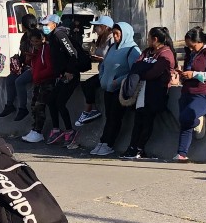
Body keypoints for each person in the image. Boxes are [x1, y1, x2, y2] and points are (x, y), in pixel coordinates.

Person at [122, 27, 175, 160]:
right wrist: (141, 70)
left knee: (147, 121)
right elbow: (136, 64)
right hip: (142, 92)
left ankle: (140, 148)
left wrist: (141, 71)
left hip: (155, 93)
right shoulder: (147, 52)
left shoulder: (166, 54)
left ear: (155, 39)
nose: (147, 40)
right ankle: (132, 148)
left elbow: (153, 73)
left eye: (149, 37)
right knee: (138, 121)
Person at [89, 22, 140, 157]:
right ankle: (103, 141)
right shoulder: (112, 47)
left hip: (120, 90)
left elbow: (134, 71)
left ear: (125, 34)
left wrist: (117, 81)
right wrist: (102, 78)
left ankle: (108, 143)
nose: (116, 37)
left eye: (118, 34)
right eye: (114, 34)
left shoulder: (132, 50)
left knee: (115, 117)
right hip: (107, 88)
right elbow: (105, 64)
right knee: (109, 116)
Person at [173, 27, 206, 163]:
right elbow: (188, 70)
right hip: (187, 92)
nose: (191, 48)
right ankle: (182, 153)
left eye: (192, 45)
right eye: (188, 46)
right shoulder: (191, 53)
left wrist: (194, 74)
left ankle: (198, 121)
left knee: (187, 116)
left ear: (200, 41)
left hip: (203, 94)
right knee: (184, 122)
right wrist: (182, 74)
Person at [44, 15, 83, 147]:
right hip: (62, 76)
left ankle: (70, 131)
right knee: (50, 100)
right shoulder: (52, 37)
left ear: (54, 24)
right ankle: (56, 129)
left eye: (46, 24)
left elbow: (73, 53)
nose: (44, 27)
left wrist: (70, 71)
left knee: (60, 102)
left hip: (71, 76)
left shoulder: (60, 35)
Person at [74, 15, 115, 129]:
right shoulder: (101, 39)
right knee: (85, 83)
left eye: (97, 26)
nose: (95, 29)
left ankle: (89, 110)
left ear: (105, 27)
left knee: (89, 84)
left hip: (110, 74)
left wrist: (100, 59)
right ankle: (90, 110)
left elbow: (113, 57)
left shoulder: (112, 39)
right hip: (102, 71)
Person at [0, 13, 39, 121]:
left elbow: (37, 53)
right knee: (10, 78)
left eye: (22, 23)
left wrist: (29, 59)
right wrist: (18, 61)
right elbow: (23, 53)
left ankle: (23, 108)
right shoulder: (24, 36)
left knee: (19, 81)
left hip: (35, 67)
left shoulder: (36, 34)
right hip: (25, 66)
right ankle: (9, 105)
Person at [20, 29, 53, 143]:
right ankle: (34, 129)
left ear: (42, 40)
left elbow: (50, 68)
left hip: (46, 81)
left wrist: (38, 75)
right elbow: (34, 64)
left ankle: (38, 131)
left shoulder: (46, 50)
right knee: (34, 106)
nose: (35, 44)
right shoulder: (35, 51)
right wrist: (29, 60)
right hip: (38, 82)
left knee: (40, 106)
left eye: (37, 41)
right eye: (33, 42)